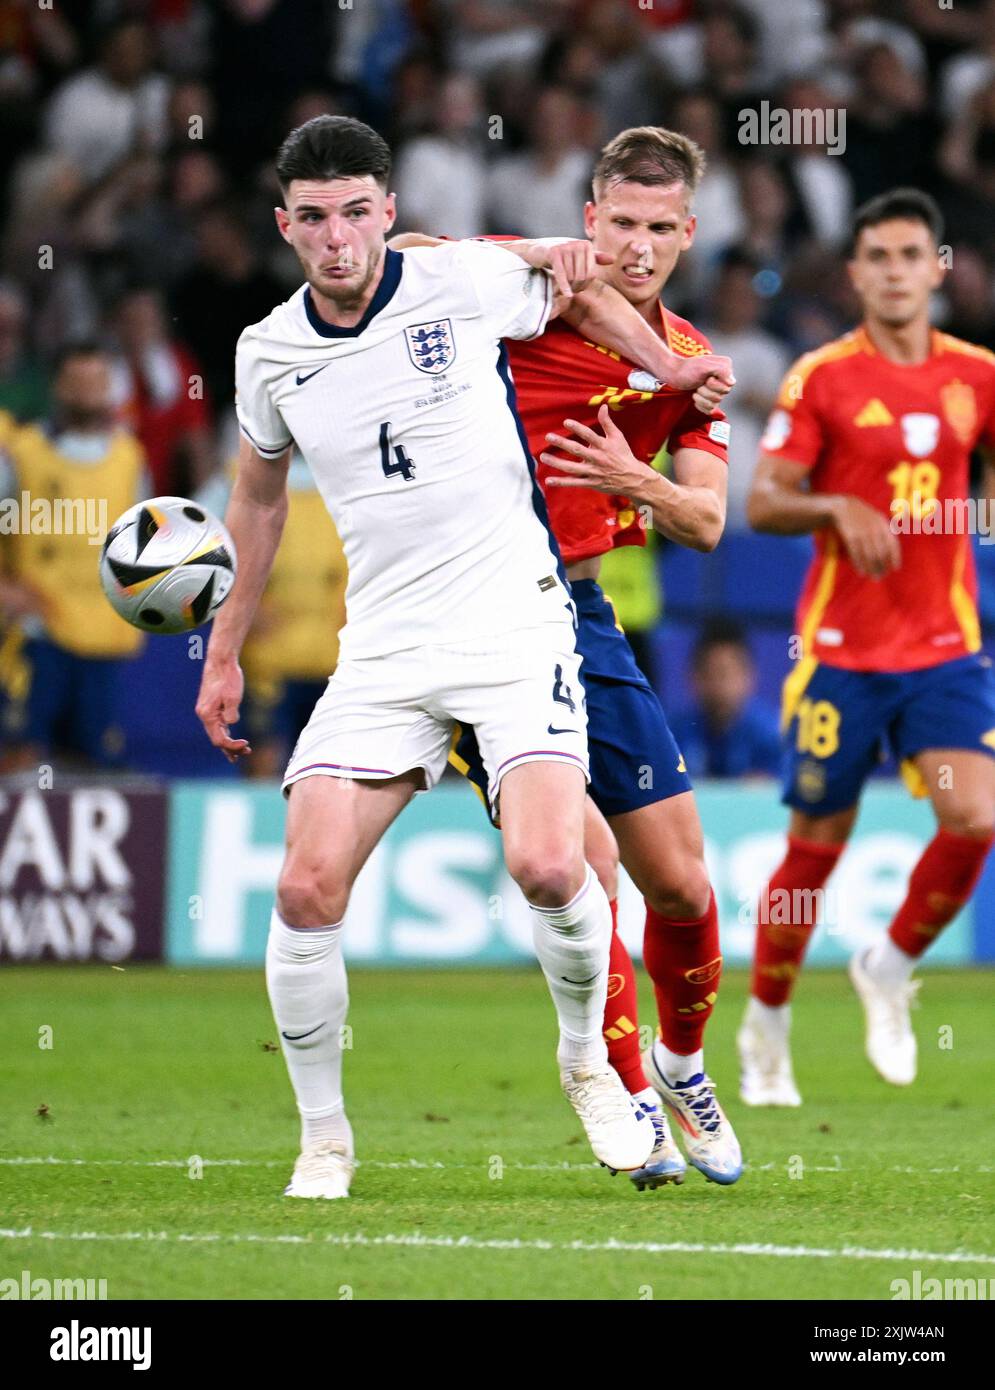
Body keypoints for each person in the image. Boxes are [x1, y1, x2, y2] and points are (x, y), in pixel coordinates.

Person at [194, 116, 731, 1201]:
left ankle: (652, 1062)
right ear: (284, 226)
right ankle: (335, 1138)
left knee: (642, 874)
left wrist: (665, 388)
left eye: (357, 213)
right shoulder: (275, 349)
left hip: (531, 618)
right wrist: (223, 646)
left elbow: (708, 521)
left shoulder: (661, 358)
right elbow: (255, 496)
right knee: (307, 884)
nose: (339, 239)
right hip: (388, 643)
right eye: (314, 218)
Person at [394, 124, 744, 1187]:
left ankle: (681, 1065)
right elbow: (403, 251)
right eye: (619, 225)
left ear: (686, 235)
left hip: (586, 621)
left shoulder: (688, 365)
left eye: (658, 229)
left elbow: (707, 524)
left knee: (679, 884)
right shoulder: (522, 293)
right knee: (587, 868)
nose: (636, 247)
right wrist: (532, 254)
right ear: (589, 220)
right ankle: (624, 1088)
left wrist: (631, 479)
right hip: (476, 620)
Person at [738, 188, 995, 1106]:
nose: (893, 272)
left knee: (975, 819)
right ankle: (765, 1021)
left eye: (908, 256)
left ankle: (887, 963)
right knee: (815, 848)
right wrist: (835, 505)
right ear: (854, 275)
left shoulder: (977, 374)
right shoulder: (823, 378)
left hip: (943, 649)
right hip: (840, 653)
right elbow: (763, 500)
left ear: (938, 267)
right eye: (875, 258)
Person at [0, 342, 147, 770]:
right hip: (35, 634)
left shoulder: (129, 458)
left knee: (93, 765)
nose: (88, 394)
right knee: (20, 756)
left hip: (105, 636)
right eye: (78, 382)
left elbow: (147, 543)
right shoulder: (22, 454)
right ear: (58, 387)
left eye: (98, 382)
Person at [670, 618, 782, 780]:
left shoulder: (772, 736)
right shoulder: (672, 734)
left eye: (725, 674)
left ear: (749, 676)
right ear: (693, 677)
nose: (719, 685)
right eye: (709, 674)